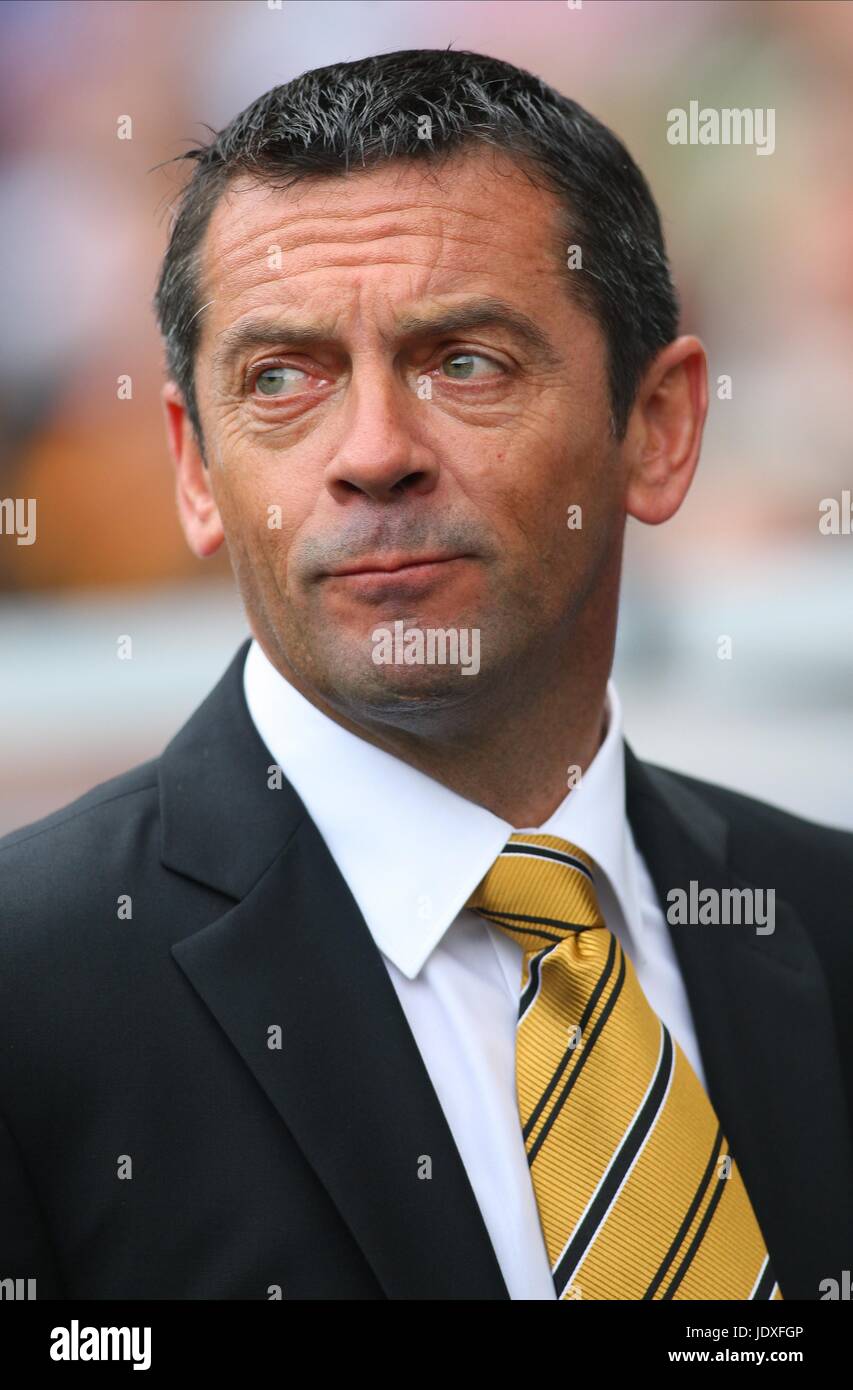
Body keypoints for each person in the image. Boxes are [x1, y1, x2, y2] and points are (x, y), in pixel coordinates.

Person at [1, 49, 851, 1302]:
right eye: (281, 380)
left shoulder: (824, 921)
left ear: (657, 428)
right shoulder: (30, 991)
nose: (373, 454)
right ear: (195, 470)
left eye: (465, 361)